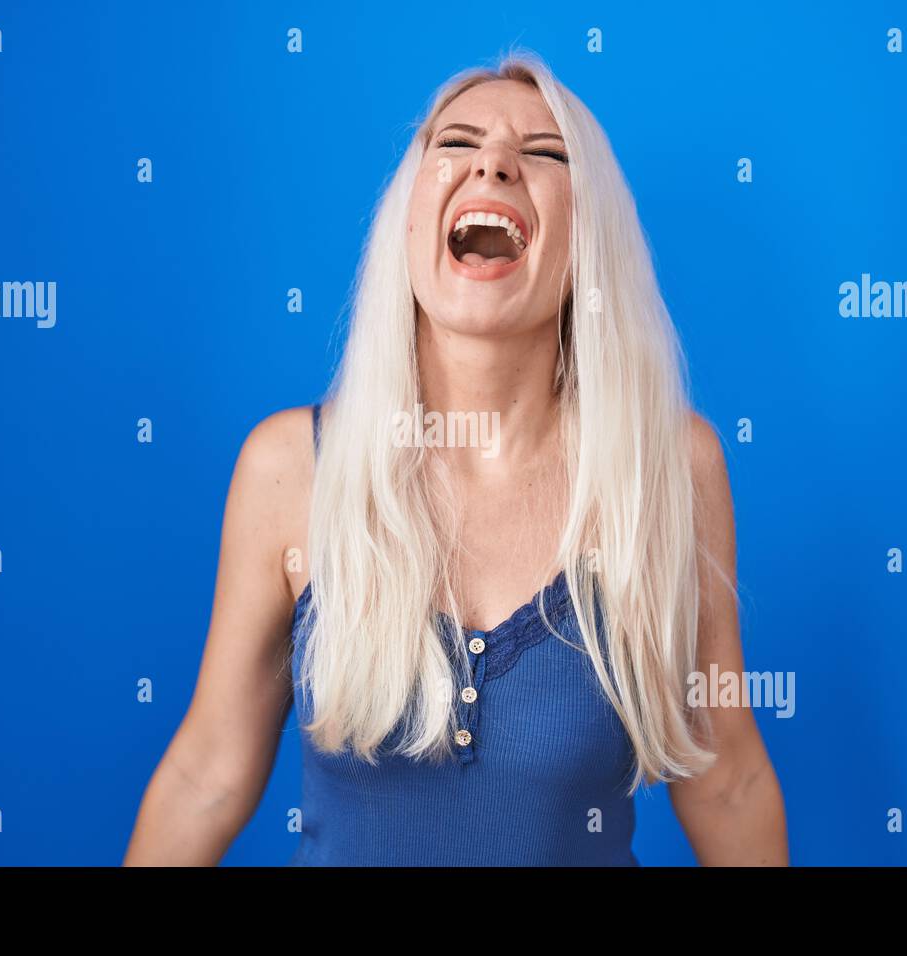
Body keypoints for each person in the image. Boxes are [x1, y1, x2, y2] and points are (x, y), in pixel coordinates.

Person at [124, 50, 788, 866]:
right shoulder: (288, 468)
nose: (494, 162)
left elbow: (728, 782)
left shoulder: (673, 469)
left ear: (591, 239)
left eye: (543, 155)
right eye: (456, 143)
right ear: (408, 217)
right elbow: (207, 777)